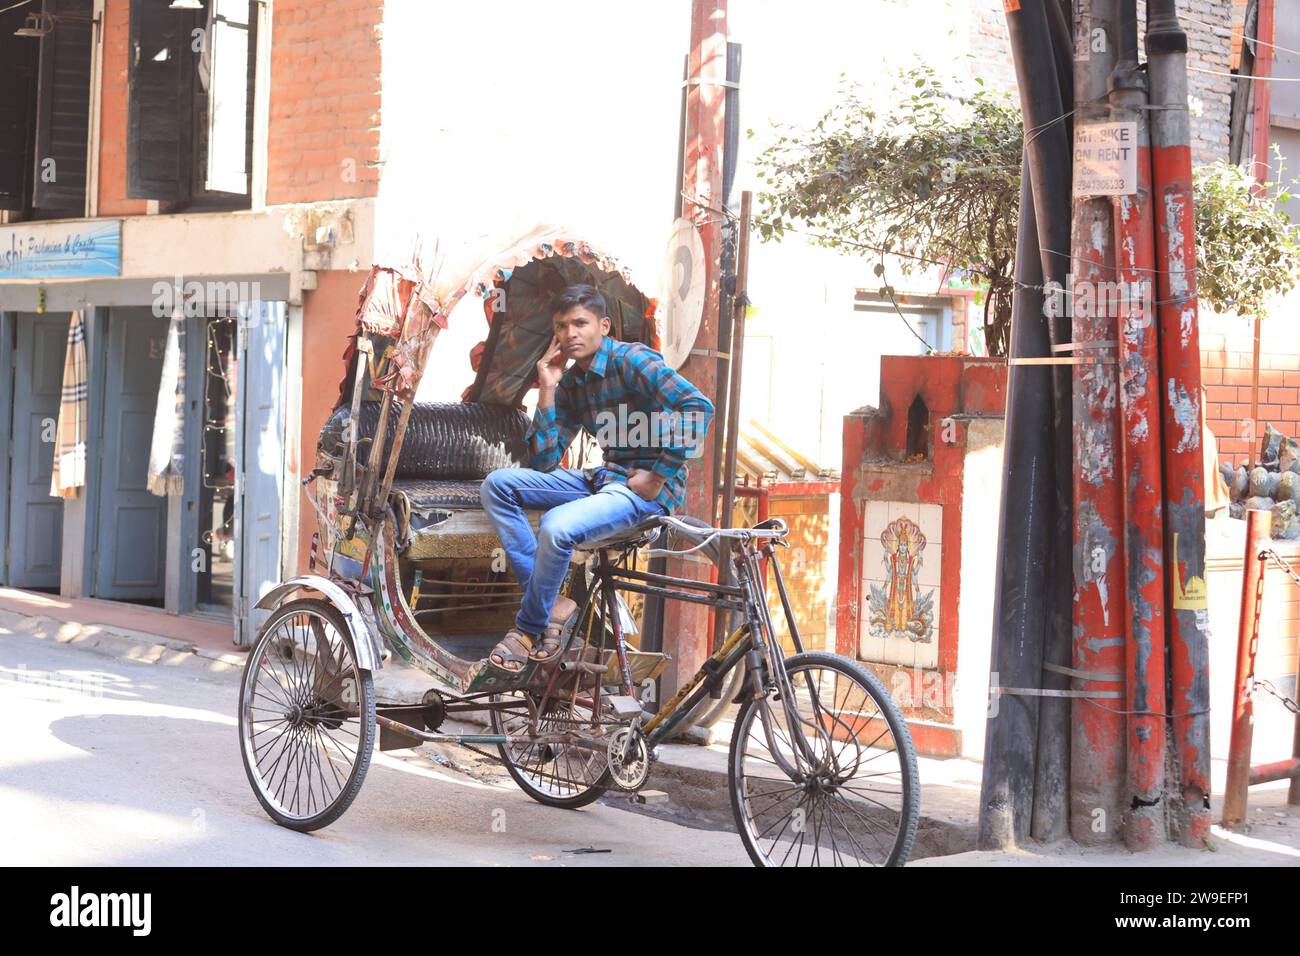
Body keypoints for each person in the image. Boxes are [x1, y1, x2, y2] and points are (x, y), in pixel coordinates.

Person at [480, 284, 714, 672]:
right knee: (499, 485)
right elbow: (544, 461)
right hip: (604, 479)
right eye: (561, 326)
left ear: (602, 325)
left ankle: (527, 627)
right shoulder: (573, 383)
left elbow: (698, 407)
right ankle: (551, 602)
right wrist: (548, 389)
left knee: (557, 526)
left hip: (644, 489)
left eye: (580, 323)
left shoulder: (632, 360)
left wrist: (657, 476)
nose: (570, 333)